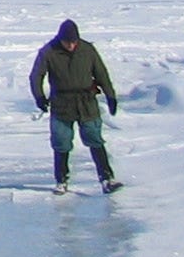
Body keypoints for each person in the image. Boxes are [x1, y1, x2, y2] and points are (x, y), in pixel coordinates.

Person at [28, 19, 122, 195]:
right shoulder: (49, 52)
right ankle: (61, 181)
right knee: (61, 142)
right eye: (67, 42)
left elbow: (101, 74)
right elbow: (36, 76)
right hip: (62, 104)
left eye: (74, 42)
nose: (71, 46)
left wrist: (110, 95)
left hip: (86, 102)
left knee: (95, 139)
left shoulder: (87, 50)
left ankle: (107, 178)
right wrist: (39, 97)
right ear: (60, 39)